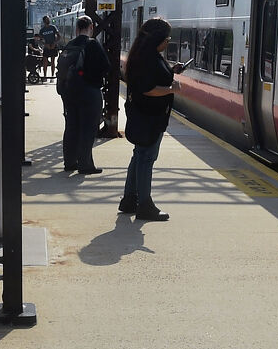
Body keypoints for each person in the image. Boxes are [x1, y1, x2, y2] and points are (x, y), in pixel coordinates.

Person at [119, 16, 183, 222]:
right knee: (146, 158)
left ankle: (129, 199)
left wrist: (171, 71)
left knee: (139, 155)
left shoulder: (144, 55)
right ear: (158, 39)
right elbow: (148, 89)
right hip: (150, 117)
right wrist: (171, 89)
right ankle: (144, 205)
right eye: (167, 39)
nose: (168, 43)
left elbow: (150, 78)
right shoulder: (148, 59)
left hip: (143, 115)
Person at [56, 14, 108, 175]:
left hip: (69, 92)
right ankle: (85, 164)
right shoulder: (92, 44)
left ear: (77, 29)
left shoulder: (70, 45)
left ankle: (69, 162)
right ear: (91, 28)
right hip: (89, 92)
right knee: (88, 128)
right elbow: (106, 66)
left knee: (71, 126)